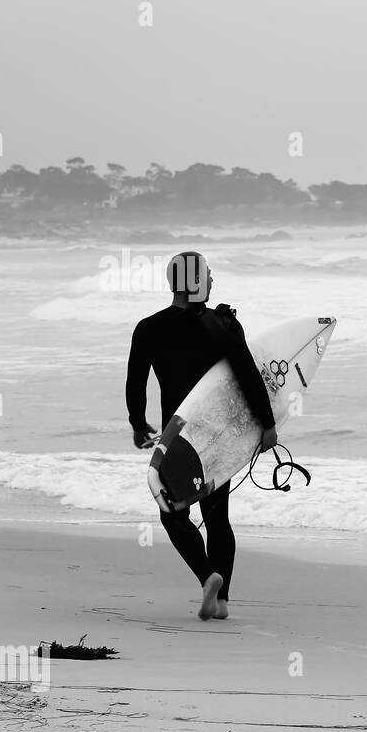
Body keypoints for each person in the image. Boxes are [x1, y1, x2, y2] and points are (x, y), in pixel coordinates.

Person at [126, 252, 277, 620]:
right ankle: (222, 598)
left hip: (180, 438)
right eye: (208, 275)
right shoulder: (224, 325)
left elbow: (135, 382)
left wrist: (137, 423)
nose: (212, 281)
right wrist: (268, 423)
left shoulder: (149, 327)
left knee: (171, 512)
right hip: (220, 434)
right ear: (195, 280)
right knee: (217, 515)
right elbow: (247, 375)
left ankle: (206, 575)